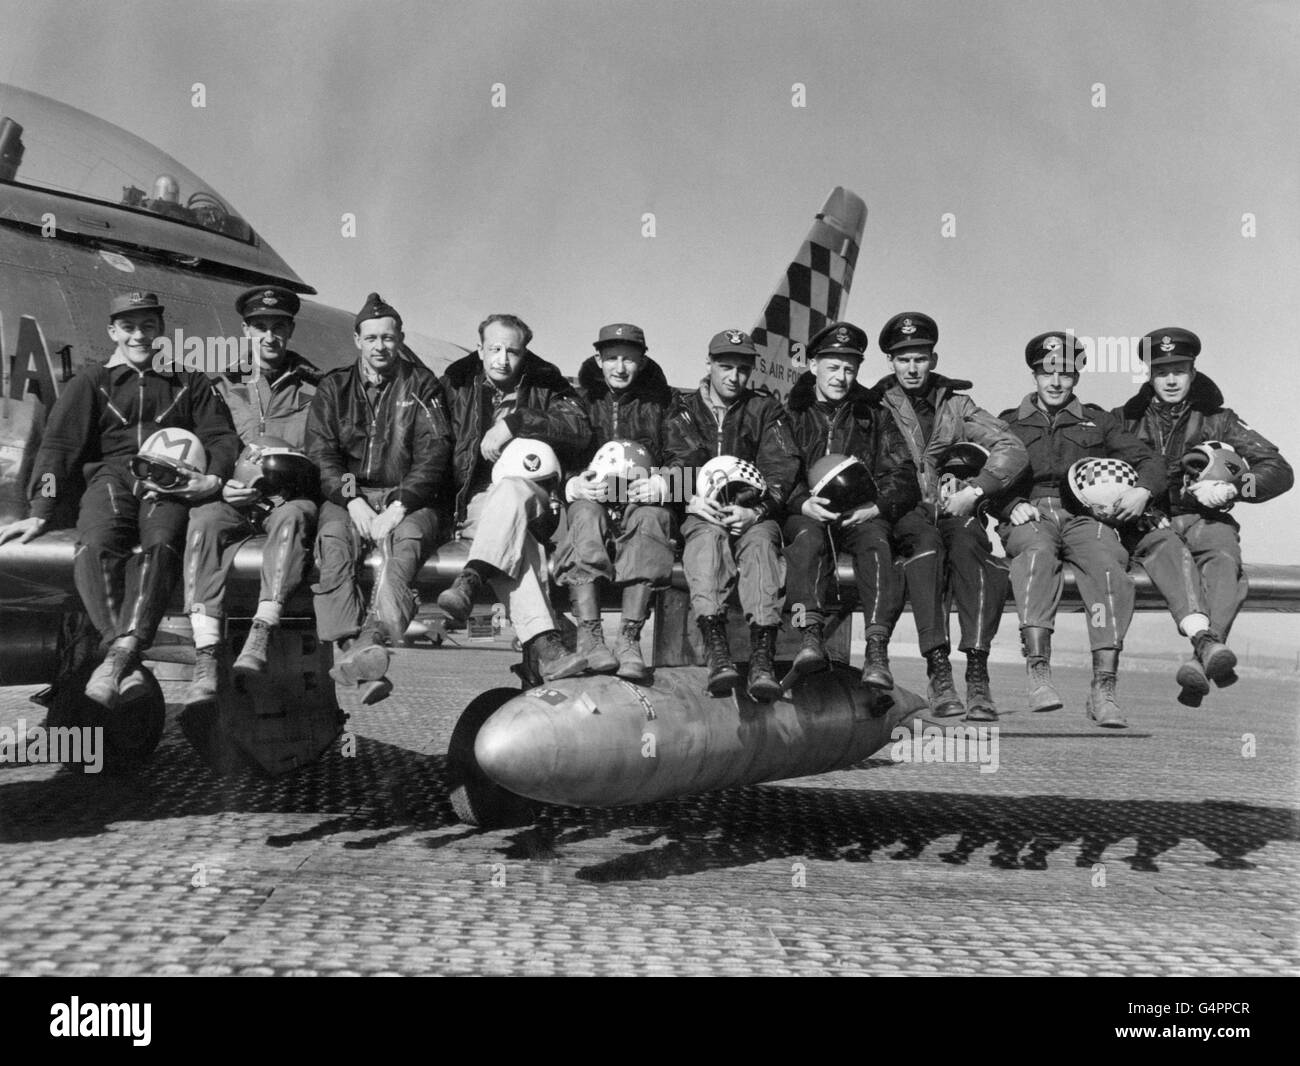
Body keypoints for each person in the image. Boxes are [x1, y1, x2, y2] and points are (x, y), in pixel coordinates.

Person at [0, 291, 240, 707]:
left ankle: (118, 658)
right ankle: (123, 652)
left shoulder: (190, 381)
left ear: (160, 330)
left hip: (170, 479)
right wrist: (40, 511)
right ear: (113, 331)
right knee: (93, 546)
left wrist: (212, 479)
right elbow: (59, 447)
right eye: (128, 327)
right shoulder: (92, 382)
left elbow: (220, 436)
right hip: (111, 478)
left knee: (162, 544)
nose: (138, 335)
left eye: (147, 326)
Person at [995, 331, 1165, 728]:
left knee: (1109, 566)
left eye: (1066, 373)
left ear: (1077, 376)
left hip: (1085, 517)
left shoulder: (1099, 421)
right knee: (1035, 558)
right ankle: (1039, 672)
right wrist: (1007, 504)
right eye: (1047, 371)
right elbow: (979, 473)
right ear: (1034, 373)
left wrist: (1143, 490)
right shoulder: (1007, 423)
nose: (1056, 382)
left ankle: (1103, 686)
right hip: (1028, 513)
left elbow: (1150, 461)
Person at [1114, 328, 1293, 704]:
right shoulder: (1123, 421)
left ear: (1193, 371)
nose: (1171, 379)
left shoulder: (1221, 420)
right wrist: (1136, 511)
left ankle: (1201, 659)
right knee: (1167, 551)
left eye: (1179, 369)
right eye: (1162, 372)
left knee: (1225, 559)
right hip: (1150, 525)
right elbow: (1100, 479)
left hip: (1205, 519)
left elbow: (1279, 470)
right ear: (1149, 374)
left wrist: (1232, 488)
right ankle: (1206, 648)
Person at [871, 312, 1028, 721]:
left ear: (933, 359)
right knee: (926, 556)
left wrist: (975, 491)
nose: (911, 367)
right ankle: (939, 673)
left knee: (971, 544)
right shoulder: (874, 405)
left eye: (919, 358)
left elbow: (1011, 447)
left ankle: (977, 675)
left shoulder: (958, 405)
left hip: (953, 506)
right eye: (902, 358)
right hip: (904, 512)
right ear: (890, 361)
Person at [305, 293, 452, 703]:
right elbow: (322, 453)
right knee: (334, 544)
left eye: (388, 338)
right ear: (357, 340)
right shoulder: (334, 386)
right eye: (371, 338)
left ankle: (372, 641)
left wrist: (398, 505)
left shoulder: (422, 385)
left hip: (409, 496)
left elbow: (434, 451)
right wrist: (352, 500)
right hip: (349, 492)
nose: (380, 346)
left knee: (405, 547)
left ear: (400, 338)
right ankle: (359, 650)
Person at [181, 286, 322, 704]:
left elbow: (322, 451)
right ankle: (206, 654)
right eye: (260, 327)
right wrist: (222, 482)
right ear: (245, 331)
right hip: (234, 497)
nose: (269, 337)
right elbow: (209, 442)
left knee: (297, 517)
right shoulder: (219, 386)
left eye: (279, 327)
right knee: (202, 522)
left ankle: (262, 631)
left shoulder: (315, 390)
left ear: (290, 330)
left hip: (287, 497)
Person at [435, 314, 594, 681]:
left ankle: (472, 577)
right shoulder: (455, 384)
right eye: (494, 349)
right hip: (476, 500)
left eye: (512, 351)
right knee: (516, 543)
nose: (502, 359)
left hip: (537, 494)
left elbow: (578, 429)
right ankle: (548, 643)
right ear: (480, 349)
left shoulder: (547, 381)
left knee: (511, 491)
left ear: (525, 353)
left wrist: (517, 421)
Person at [661, 329, 799, 700]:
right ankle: (717, 651)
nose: (734, 377)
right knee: (706, 543)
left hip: (753, 513)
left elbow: (782, 466)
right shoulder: (684, 409)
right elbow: (677, 459)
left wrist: (757, 510)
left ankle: (761, 659)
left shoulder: (766, 409)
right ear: (709, 364)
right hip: (702, 511)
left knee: (763, 548)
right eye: (725, 367)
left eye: (742, 368)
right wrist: (688, 499)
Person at [782, 322, 919, 691]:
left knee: (877, 544)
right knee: (806, 543)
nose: (841, 377)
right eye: (832, 367)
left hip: (858, 514)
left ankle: (877, 650)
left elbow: (902, 472)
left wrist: (877, 506)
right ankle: (809, 635)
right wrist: (800, 502)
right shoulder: (789, 413)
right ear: (813, 366)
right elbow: (776, 469)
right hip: (807, 514)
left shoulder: (873, 414)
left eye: (849, 369)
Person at [554, 323, 676, 681]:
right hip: (591, 500)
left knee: (652, 519)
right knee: (584, 516)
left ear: (643, 360)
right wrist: (570, 484)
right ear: (598, 359)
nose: (620, 368)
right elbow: (554, 452)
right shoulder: (577, 402)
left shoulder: (665, 404)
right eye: (612, 358)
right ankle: (590, 636)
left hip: (641, 500)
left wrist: (663, 484)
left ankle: (628, 639)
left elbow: (688, 456)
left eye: (629, 359)